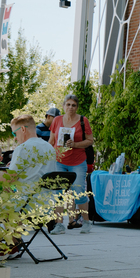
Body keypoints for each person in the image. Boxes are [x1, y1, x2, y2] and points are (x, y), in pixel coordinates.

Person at [0, 114, 57, 188]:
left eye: (14, 133)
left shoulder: (23, 148)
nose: (15, 138)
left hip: (27, 200)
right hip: (47, 201)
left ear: (23, 129)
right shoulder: (49, 147)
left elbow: (8, 179)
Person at [50, 94, 95, 234]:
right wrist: (47, 156)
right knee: (58, 193)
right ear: (63, 106)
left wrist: (75, 144)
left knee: (79, 191)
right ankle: (59, 225)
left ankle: (86, 222)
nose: (70, 107)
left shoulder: (83, 120)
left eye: (73, 105)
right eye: (68, 104)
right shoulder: (57, 120)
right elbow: (52, 141)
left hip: (77, 162)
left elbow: (90, 140)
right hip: (59, 161)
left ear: (77, 107)